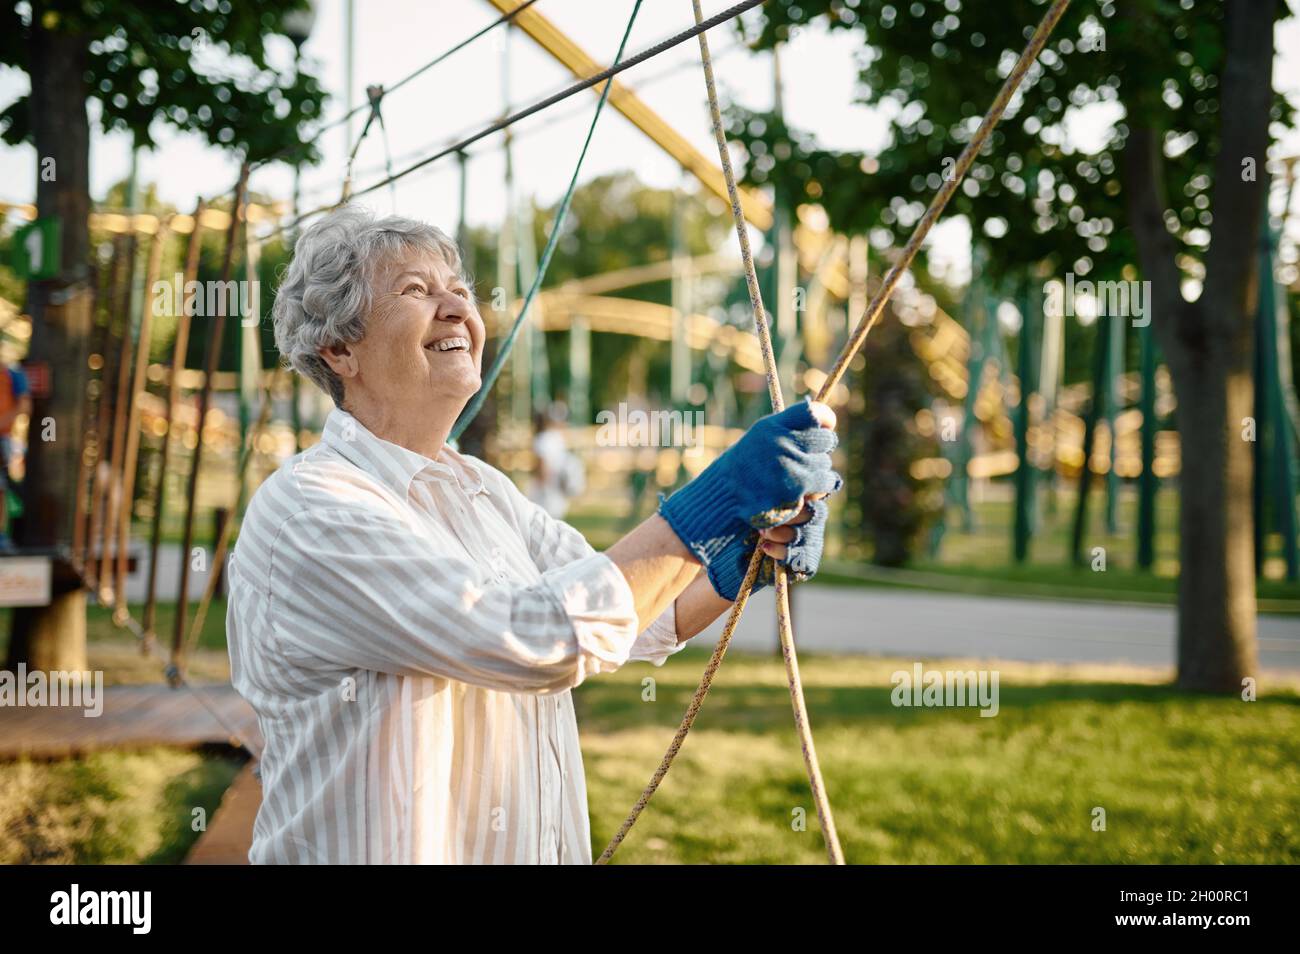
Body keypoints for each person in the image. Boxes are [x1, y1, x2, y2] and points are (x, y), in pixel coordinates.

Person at [227, 206, 841, 864]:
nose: (454, 306)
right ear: (339, 349)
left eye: (458, 289)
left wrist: (741, 559)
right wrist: (717, 499)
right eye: (414, 290)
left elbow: (637, 617)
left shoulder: (482, 486)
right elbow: (535, 638)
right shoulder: (310, 508)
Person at [526, 403, 580, 519]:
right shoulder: (558, 438)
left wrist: (539, 488)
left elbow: (543, 467)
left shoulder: (542, 439)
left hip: (546, 492)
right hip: (557, 490)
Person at [0, 363, 31, 551]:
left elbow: (25, 406)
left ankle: (3, 536)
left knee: (4, 488)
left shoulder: (12, 374)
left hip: (5, 440)